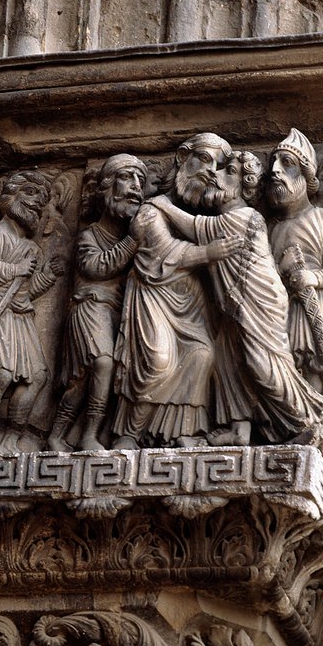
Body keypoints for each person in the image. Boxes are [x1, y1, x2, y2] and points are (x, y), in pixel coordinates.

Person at [148, 148, 323, 447]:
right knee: (228, 360)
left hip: (259, 304)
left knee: (262, 364)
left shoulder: (245, 217)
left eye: (228, 172)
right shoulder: (233, 216)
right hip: (233, 304)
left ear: (244, 187)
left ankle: (306, 418)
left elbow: (197, 227)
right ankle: (239, 429)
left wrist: (163, 206)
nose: (216, 176)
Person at [112, 133, 244, 447]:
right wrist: (209, 253)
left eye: (221, 167)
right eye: (206, 160)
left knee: (202, 355)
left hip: (191, 306)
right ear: (183, 156)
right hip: (155, 298)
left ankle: (179, 434)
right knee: (158, 360)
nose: (213, 172)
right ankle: (129, 434)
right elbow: (164, 251)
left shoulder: (212, 218)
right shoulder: (151, 211)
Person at [51, 154, 146, 451]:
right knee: (100, 365)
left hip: (118, 313)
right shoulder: (90, 235)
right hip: (90, 307)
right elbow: (96, 268)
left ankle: (62, 435)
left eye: (140, 182)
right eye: (127, 178)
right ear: (106, 187)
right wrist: (131, 242)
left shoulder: (136, 237)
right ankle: (85, 435)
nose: (135, 188)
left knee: (94, 379)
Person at [0, 171, 63, 455]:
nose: (36, 204)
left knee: (37, 377)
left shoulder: (31, 248)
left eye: (41, 200)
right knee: (1, 375)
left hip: (19, 315)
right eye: (31, 193)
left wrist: (46, 277)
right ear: (11, 195)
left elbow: (26, 292)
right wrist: (15, 270)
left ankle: (11, 440)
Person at [268, 129, 323, 399]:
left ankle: (314, 426)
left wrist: (312, 277)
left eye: (286, 164)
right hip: (278, 309)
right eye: (273, 164)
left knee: (312, 370)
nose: (275, 171)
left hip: (314, 308)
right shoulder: (270, 227)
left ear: (306, 174)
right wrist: (281, 272)